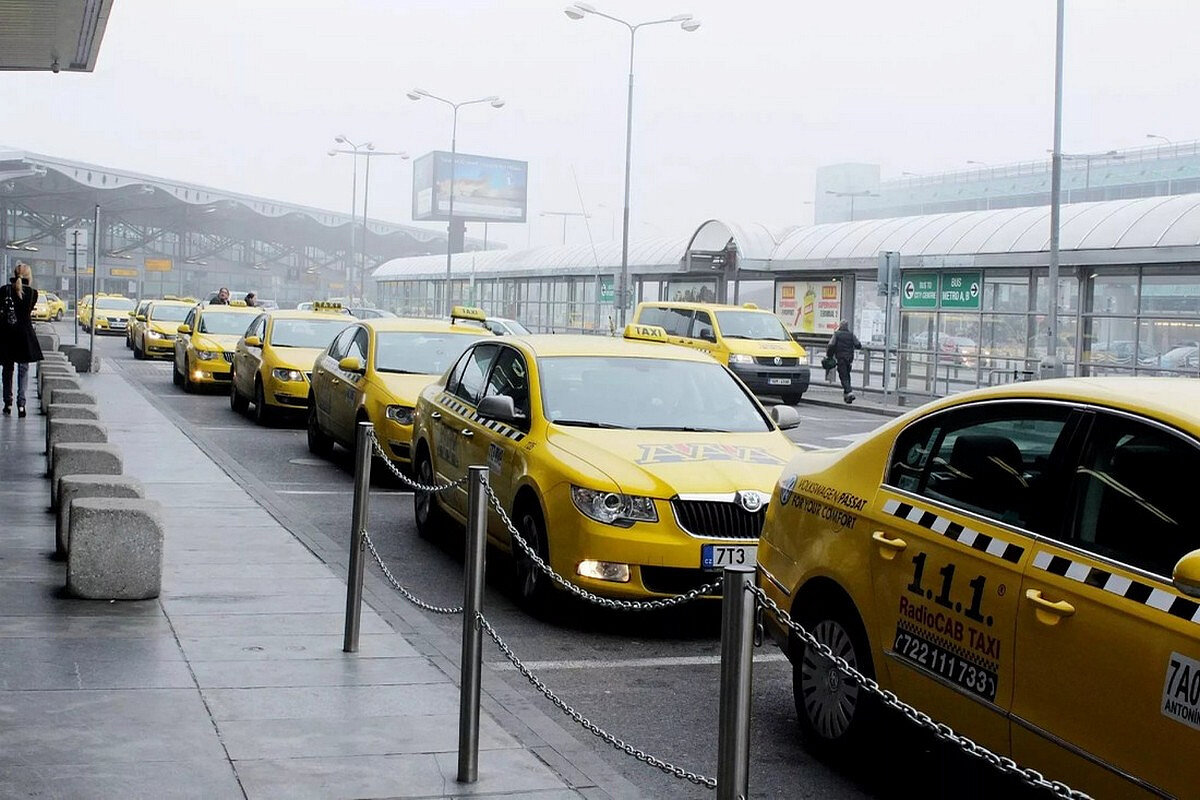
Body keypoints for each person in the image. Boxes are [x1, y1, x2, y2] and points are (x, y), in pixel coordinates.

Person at [0, 263, 45, 417]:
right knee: (23, 369)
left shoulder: (4, 290)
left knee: (7, 370)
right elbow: (27, 311)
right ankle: (22, 404)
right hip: (24, 336)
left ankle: (8, 403)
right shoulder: (33, 293)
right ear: (29, 276)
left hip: (7, 335)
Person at [826, 319, 862, 405]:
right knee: (847, 375)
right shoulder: (851, 335)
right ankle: (847, 397)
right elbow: (858, 345)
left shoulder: (837, 334)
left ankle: (849, 392)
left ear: (840, 326)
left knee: (843, 376)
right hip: (849, 359)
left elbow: (831, 345)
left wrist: (829, 355)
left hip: (841, 358)